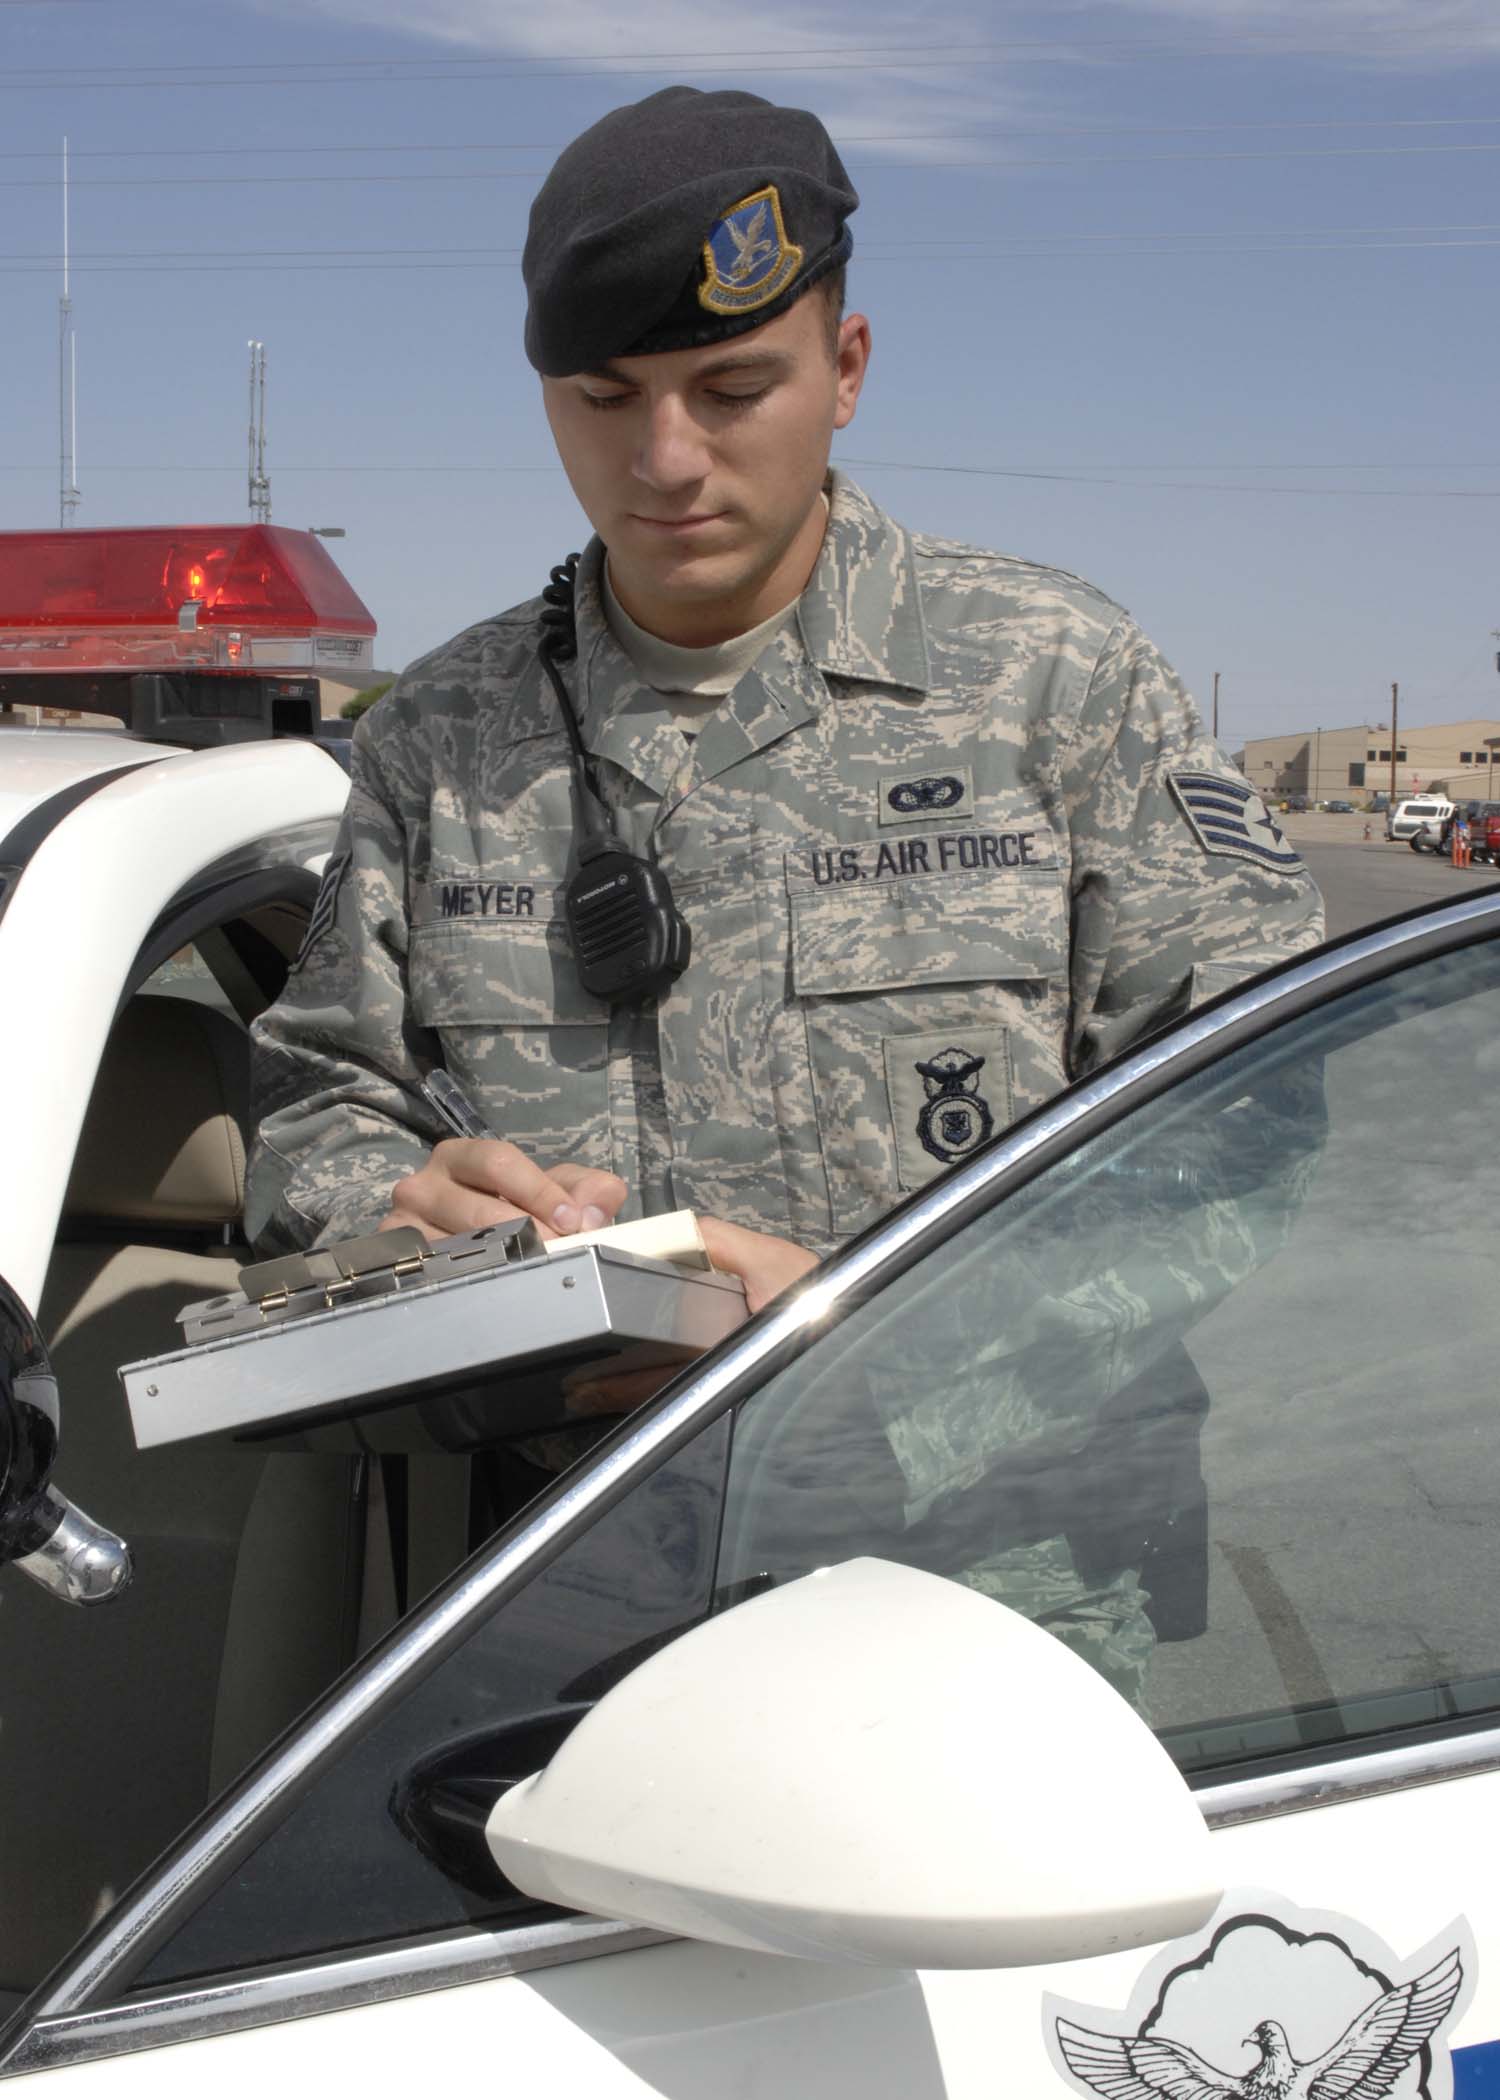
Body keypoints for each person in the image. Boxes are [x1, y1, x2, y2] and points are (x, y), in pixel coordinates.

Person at [245, 86, 1325, 1689]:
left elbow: (1249, 1104)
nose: (667, 460)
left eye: (733, 387)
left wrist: (882, 1349)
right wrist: (402, 1217)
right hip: (571, 1605)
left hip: (1008, 1601)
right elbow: (321, 1106)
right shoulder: (445, 744)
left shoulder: (1055, 683)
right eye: (605, 397)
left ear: (847, 371)